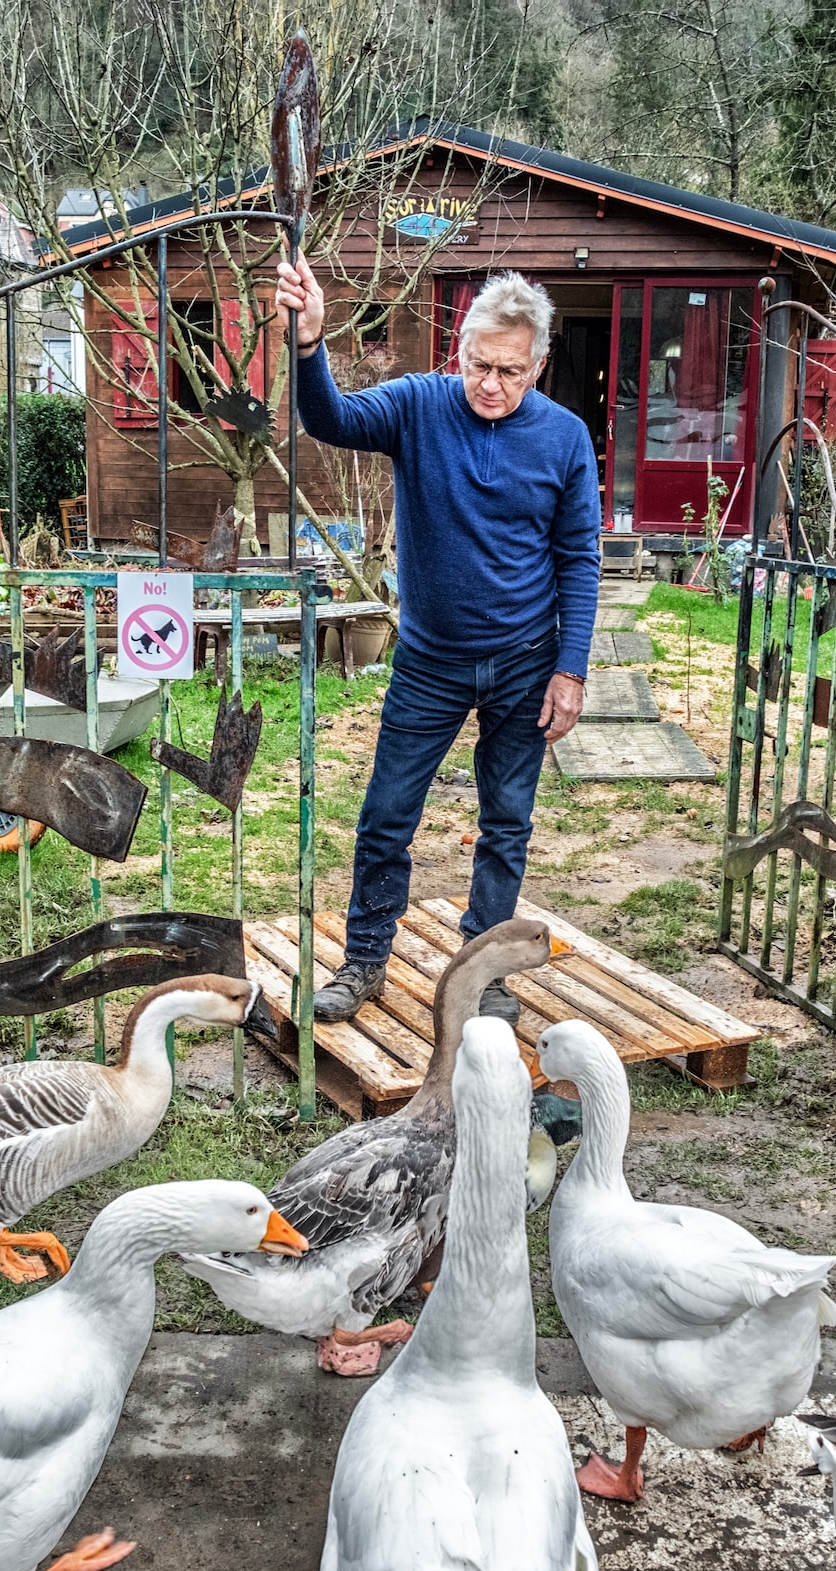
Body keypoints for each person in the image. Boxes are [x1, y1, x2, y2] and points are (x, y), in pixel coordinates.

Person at [276, 257, 600, 1024]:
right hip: (430, 661)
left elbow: (579, 558)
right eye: (479, 365)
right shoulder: (419, 406)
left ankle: (482, 974)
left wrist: (571, 668)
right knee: (388, 811)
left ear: (538, 365)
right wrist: (309, 345)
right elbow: (331, 419)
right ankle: (363, 963)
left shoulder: (565, 438)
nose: (491, 384)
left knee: (507, 820)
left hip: (526, 660)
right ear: (459, 348)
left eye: (511, 373)